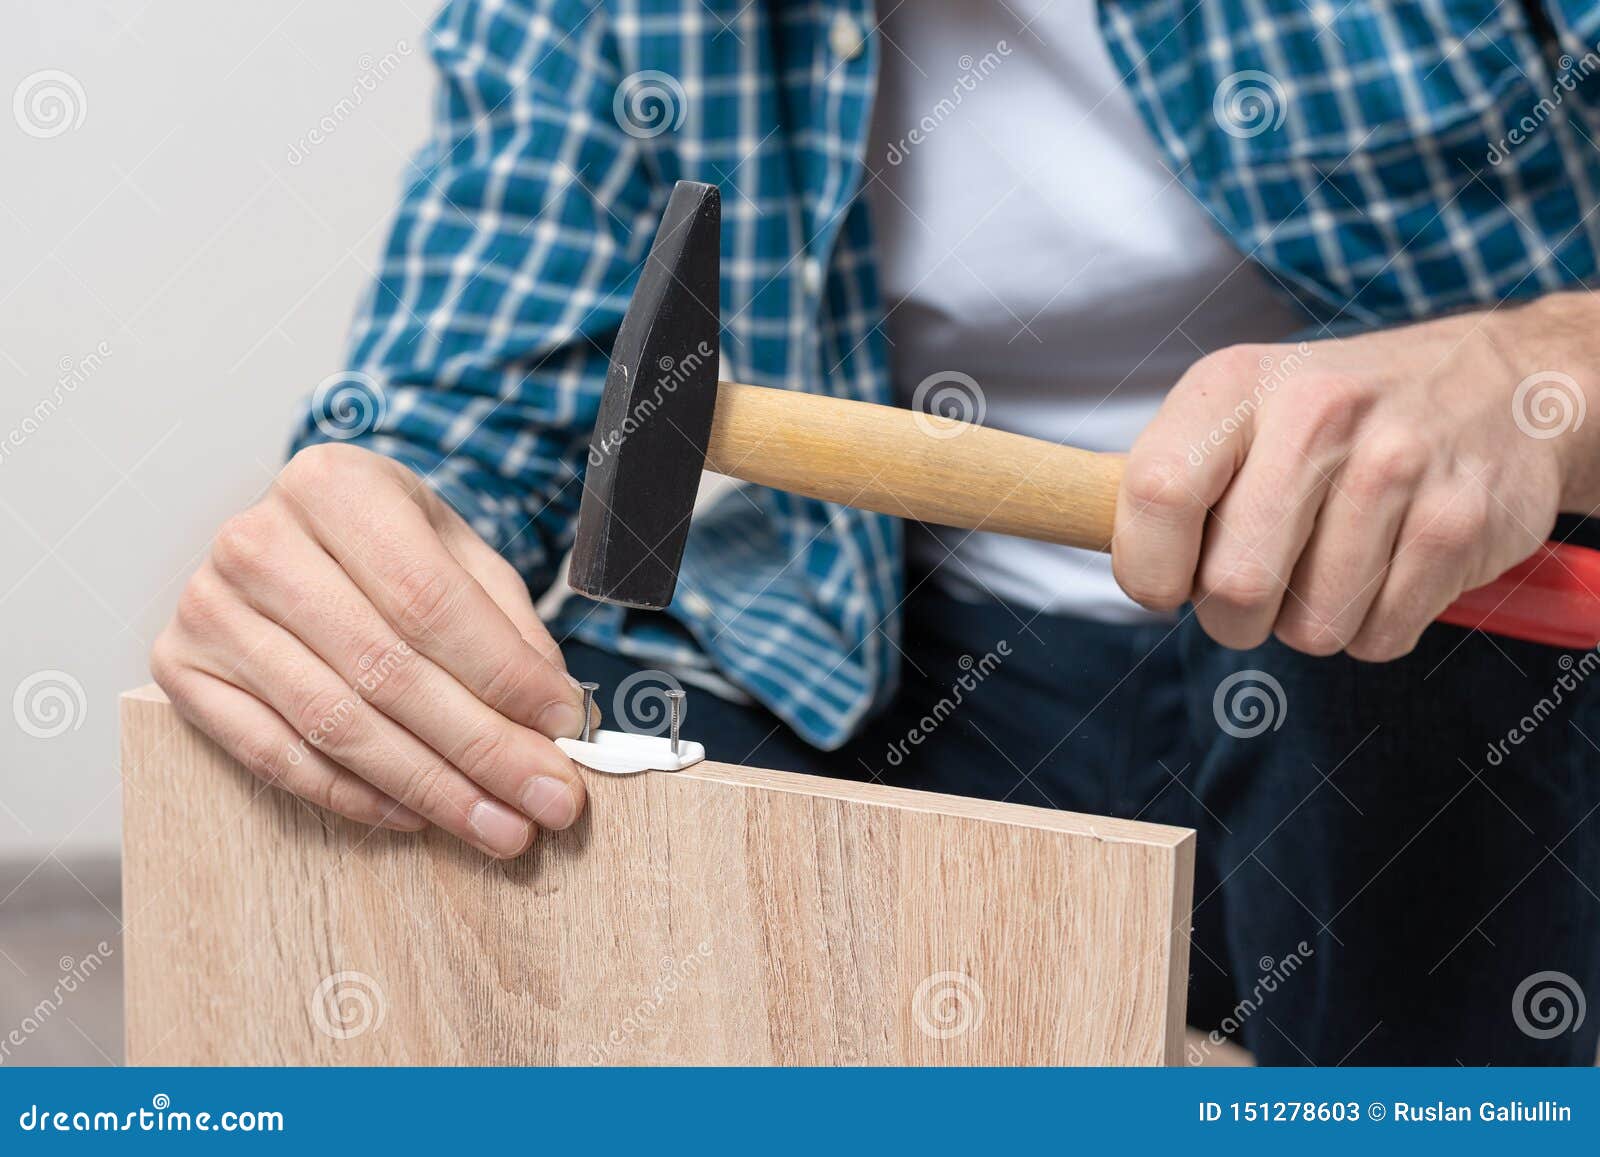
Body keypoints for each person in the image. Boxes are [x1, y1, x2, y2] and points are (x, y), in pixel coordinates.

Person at [151, 0, 1600, 1064]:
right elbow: (459, 403)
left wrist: (1533, 371)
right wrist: (364, 553)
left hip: (1442, 635)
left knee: (1400, 729)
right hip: (896, 640)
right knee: (505, 765)